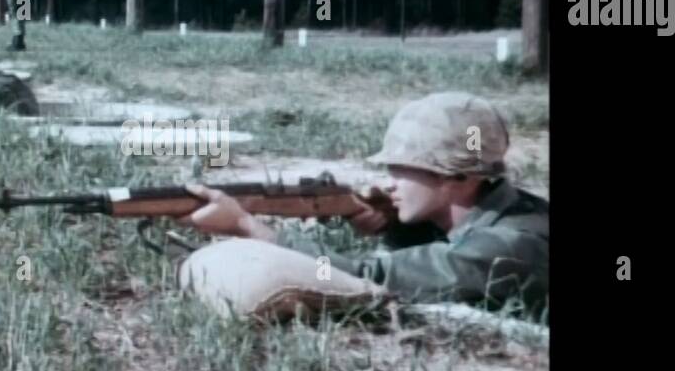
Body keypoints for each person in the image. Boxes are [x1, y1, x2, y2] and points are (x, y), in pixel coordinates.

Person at [176, 92, 549, 322]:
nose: (389, 183)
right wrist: (392, 227)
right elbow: (445, 246)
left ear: (461, 178)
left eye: (406, 171)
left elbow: (370, 276)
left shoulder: (510, 244)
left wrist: (250, 228)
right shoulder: (496, 209)